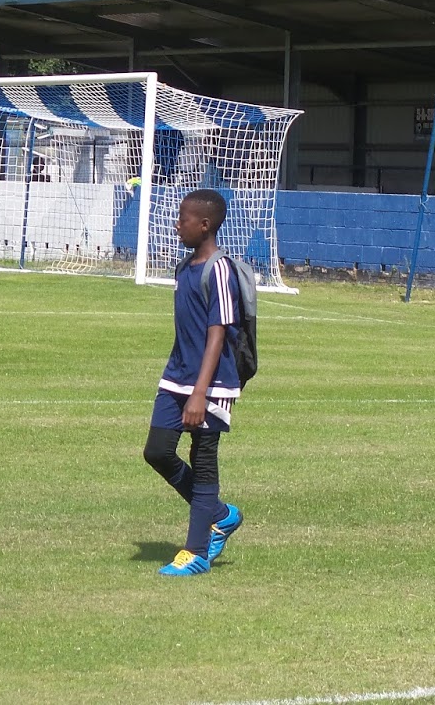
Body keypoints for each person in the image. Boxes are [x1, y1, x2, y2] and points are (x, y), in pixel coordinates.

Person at [143, 188, 245, 577]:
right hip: (176, 378)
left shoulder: (219, 270)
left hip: (212, 384)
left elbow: (218, 332)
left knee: (204, 462)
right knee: (157, 451)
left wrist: (200, 392)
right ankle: (219, 514)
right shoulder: (183, 267)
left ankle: (197, 551)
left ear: (205, 225)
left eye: (183, 219)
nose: (177, 225)